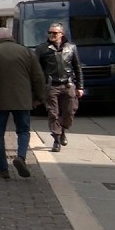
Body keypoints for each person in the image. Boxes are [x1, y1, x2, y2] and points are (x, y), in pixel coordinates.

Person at [0, 26, 47, 180]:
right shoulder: (26, 52)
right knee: (23, 130)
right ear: (11, 36)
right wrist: (40, 96)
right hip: (22, 98)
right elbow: (38, 76)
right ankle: (21, 156)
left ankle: (2, 168)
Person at [37, 22, 84, 152]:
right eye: (50, 32)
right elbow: (37, 69)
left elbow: (77, 67)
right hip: (51, 85)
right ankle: (56, 139)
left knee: (69, 112)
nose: (52, 35)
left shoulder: (71, 47)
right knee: (53, 113)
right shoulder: (42, 48)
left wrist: (80, 86)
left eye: (55, 33)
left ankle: (62, 130)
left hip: (68, 84)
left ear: (61, 34)